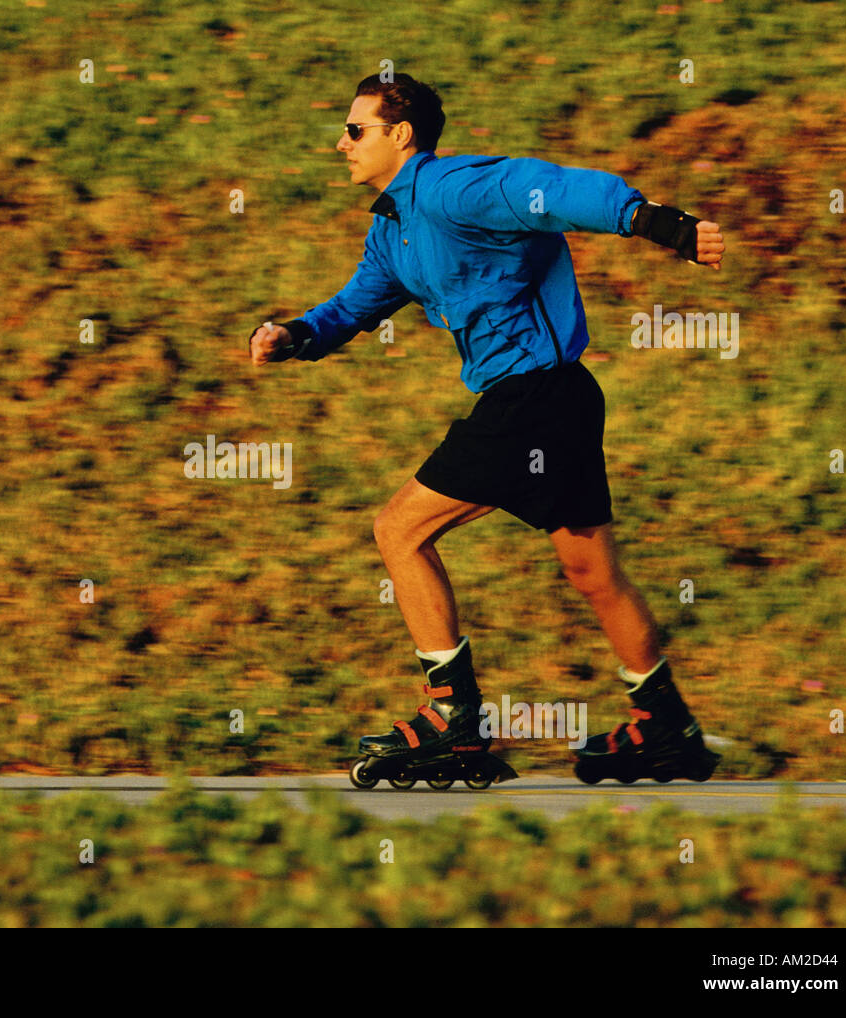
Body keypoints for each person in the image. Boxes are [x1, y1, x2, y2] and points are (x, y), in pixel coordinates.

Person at [249, 73, 724, 784]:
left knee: (399, 529)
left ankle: (452, 718)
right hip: (549, 400)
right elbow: (358, 304)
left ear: (399, 135)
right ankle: (665, 726)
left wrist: (661, 223)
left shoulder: (454, 188)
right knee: (591, 570)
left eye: (355, 130)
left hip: (533, 397)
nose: (340, 143)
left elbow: (557, 188)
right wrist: (296, 335)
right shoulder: (394, 227)